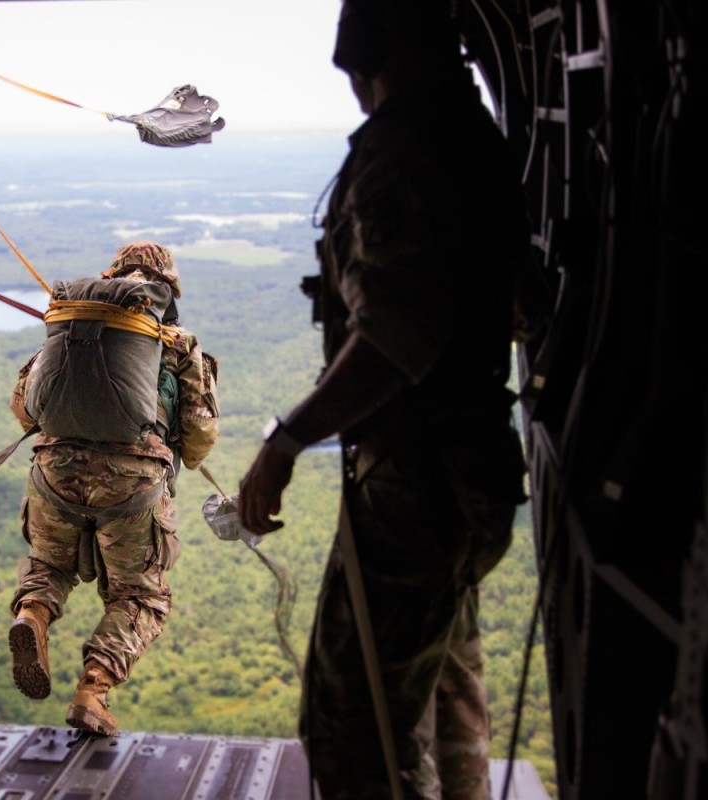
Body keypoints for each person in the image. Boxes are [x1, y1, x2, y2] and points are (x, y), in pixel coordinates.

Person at [238, 1, 533, 798]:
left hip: (418, 486)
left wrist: (286, 440)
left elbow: (400, 332)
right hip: (467, 474)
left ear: (369, 65)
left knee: (352, 722)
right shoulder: (475, 137)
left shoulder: (408, 150)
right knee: (443, 693)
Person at [7, 241, 220, 736]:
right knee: (140, 597)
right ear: (165, 288)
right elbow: (200, 432)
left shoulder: (75, 323)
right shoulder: (177, 342)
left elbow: (25, 407)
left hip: (53, 470)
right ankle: (92, 691)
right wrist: (181, 455)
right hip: (132, 485)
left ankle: (33, 617)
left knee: (50, 567)